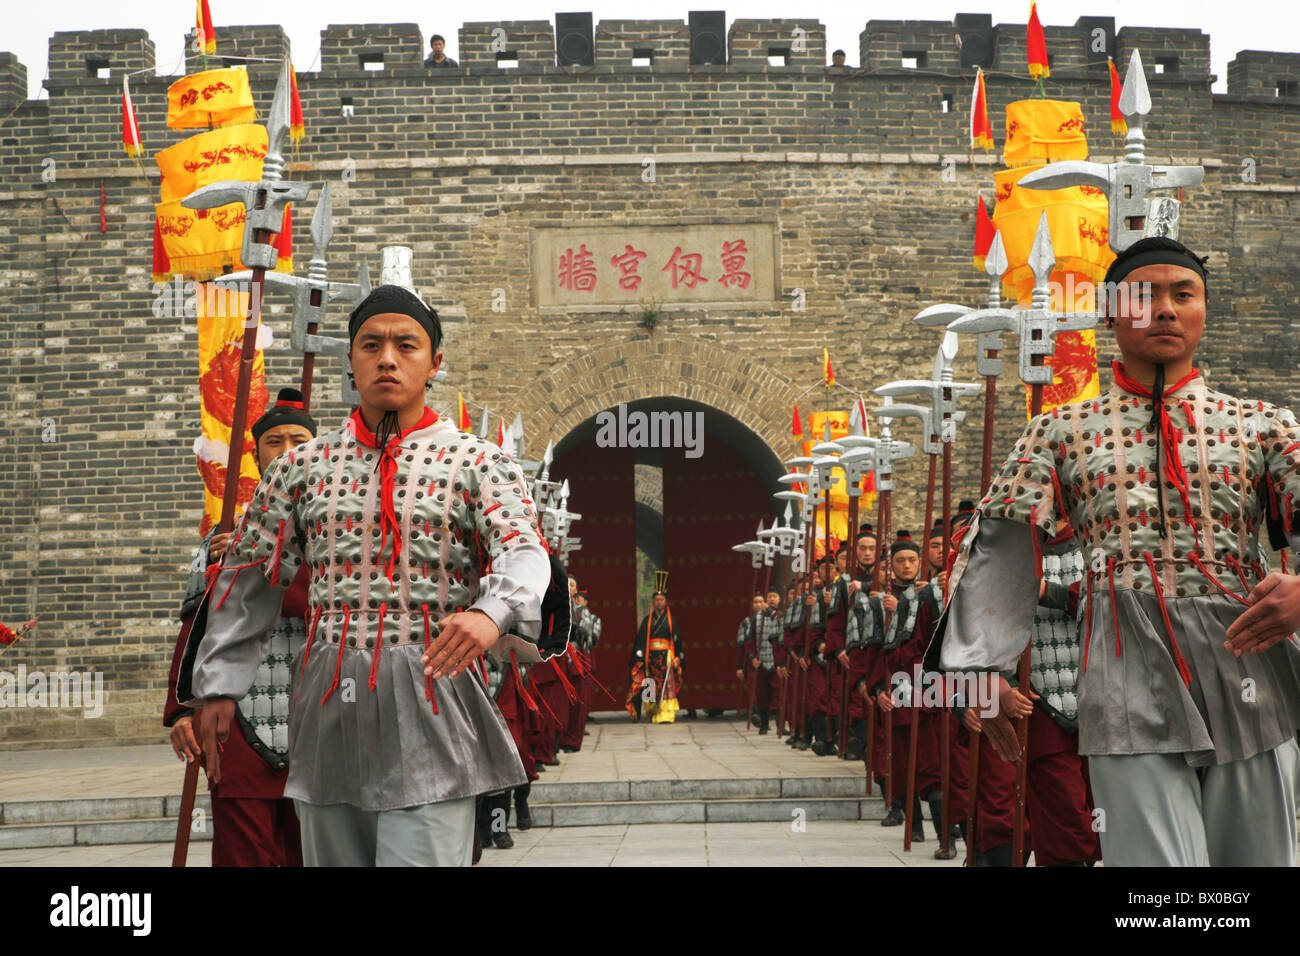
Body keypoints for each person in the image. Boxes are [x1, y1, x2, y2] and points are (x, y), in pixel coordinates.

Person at [934, 237, 1300, 866]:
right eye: (1144, 295)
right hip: (1123, 667)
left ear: (1203, 312)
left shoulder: (1267, 425)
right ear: (1109, 313)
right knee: (1155, 870)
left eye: (1182, 295)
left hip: (1250, 658)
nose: (1164, 309)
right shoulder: (1059, 431)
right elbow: (996, 544)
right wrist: (976, 669)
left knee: (1258, 859)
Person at [177, 284, 558, 867]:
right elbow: (246, 580)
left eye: (406, 345)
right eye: (370, 344)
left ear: (435, 362)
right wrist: (219, 684)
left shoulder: (478, 461)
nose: (387, 357)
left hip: (433, 685)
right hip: (329, 696)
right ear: (350, 360)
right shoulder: (302, 467)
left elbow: (525, 551)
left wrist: (491, 612)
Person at [165, 387, 316, 867]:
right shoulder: (223, 535)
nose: (287, 450)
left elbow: (330, 607)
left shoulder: (344, 529)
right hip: (241, 716)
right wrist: (181, 709)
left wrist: (256, 562)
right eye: (275, 441)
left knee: (316, 851)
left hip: (321, 712)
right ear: (256, 453)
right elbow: (196, 626)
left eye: (299, 439)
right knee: (242, 855)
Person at [627, 574, 682, 723]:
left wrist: (677, 656)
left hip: (666, 657)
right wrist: (640, 656)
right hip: (651, 657)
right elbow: (640, 639)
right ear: (653, 602)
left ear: (666, 602)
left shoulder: (672, 621)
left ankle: (666, 714)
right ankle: (652, 711)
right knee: (651, 683)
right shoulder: (647, 620)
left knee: (666, 686)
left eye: (662, 599)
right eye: (657, 600)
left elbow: (676, 640)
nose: (659, 602)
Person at [737, 591, 781, 733]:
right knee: (762, 695)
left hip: (776, 662)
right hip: (761, 662)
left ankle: (781, 726)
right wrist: (752, 658)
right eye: (770, 597)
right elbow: (748, 642)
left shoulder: (780, 617)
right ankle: (764, 724)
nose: (771, 599)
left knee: (779, 694)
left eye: (774, 597)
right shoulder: (754, 619)